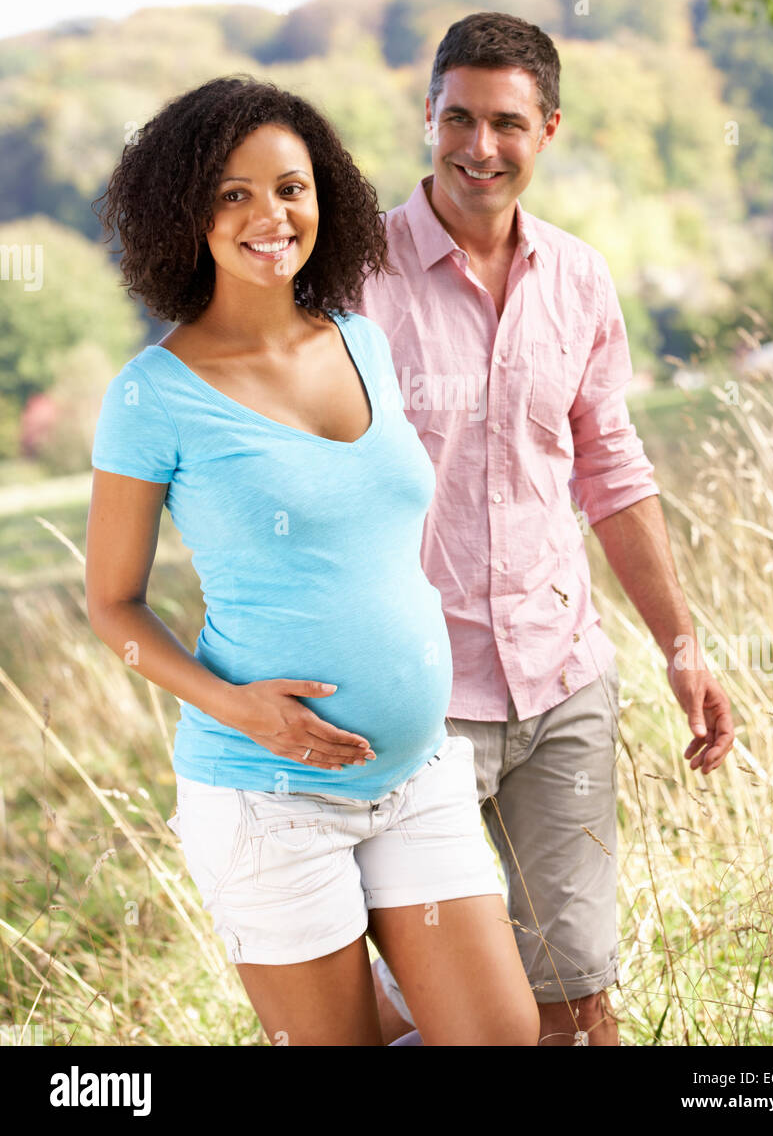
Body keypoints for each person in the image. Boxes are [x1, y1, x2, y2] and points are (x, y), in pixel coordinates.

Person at [85, 75, 540, 1047]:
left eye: (290, 188)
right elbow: (112, 606)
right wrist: (237, 705)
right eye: (233, 194)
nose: (270, 216)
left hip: (416, 772)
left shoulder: (362, 342)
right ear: (186, 215)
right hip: (268, 796)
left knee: (501, 1035)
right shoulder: (152, 395)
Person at [358, 12, 736, 1046]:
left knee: (575, 1003)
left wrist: (682, 650)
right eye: (459, 118)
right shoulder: (353, 276)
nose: (480, 146)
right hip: (417, 702)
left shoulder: (578, 278)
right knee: (443, 1012)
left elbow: (612, 471)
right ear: (427, 115)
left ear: (548, 131)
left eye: (507, 123)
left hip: (561, 678)